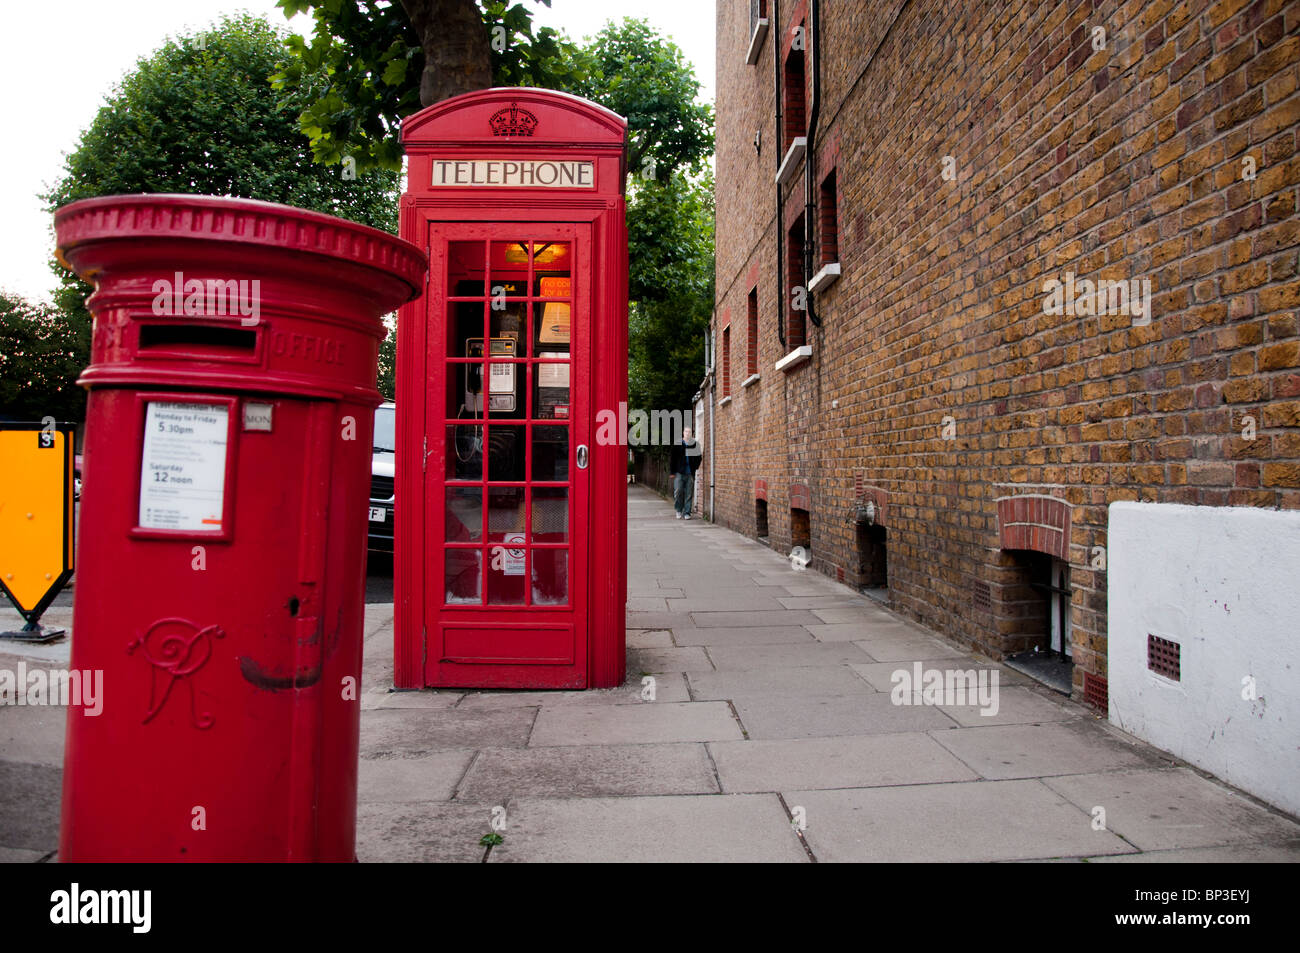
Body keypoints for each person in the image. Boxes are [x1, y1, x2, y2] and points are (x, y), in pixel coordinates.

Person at [669, 427, 701, 520]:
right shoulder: (677, 444)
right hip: (679, 472)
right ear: (683, 433)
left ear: (692, 434)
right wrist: (672, 472)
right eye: (686, 431)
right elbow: (672, 459)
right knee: (678, 491)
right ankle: (678, 510)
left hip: (690, 472)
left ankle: (687, 512)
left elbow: (699, 457)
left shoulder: (695, 444)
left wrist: (695, 467)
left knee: (689, 493)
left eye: (689, 432)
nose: (687, 433)